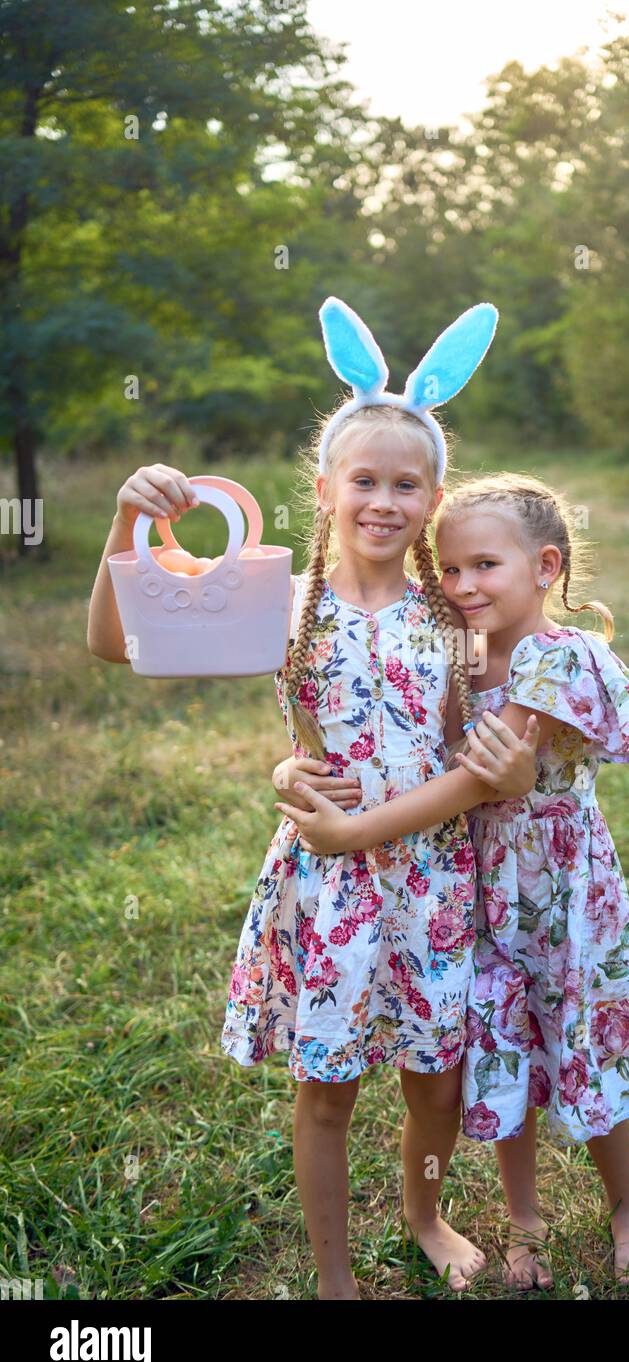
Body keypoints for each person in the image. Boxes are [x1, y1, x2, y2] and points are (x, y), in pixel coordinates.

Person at [218, 299, 541, 1300]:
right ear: (323, 488)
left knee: (433, 1081)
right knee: (327, 1088)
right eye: (363, 480)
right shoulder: (286, 606)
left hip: (433, 881)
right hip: (327, 885)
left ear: (433, 495)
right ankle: (333, 1274)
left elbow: (484, 759)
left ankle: (424, 1213)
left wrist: (515, 765)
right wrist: (125, 525)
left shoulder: (454, 614)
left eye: (407, 484)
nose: (384, 500)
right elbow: (120, 643)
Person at [287, 472, 629, 1291]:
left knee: (582, 1040)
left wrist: (352, 831)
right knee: (502, 1049)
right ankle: (523, 1222)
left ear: (545, 566)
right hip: (472, 892)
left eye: (484, 568)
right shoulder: (458, 650)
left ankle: (627, 1205)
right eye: (452, 568)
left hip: (562, 898)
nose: (463, 586)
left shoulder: (557, 656)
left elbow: (474, 776)